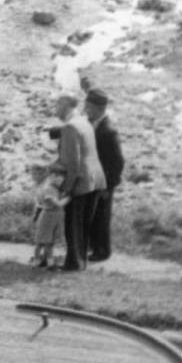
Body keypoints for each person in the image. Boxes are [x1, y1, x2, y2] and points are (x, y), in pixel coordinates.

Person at [49, 92, 105, 271]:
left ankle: (73, 264)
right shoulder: (83, 121)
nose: (55, 108)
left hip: (81, 180)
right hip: (95, 178)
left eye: (57, 104)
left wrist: (66, 188)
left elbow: (73, 164)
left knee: (73, 225)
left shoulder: (70, 127)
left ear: (65, 105)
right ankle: (79, 263)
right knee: (83, 225)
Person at [85, 87, 125, 262]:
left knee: (101, 216)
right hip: (92, 179)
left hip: (104, 182)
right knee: (93, 215)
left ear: (98, 108)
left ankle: (103, 251)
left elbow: (118, 162)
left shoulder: (109, 131)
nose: (85, 109)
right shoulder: (92, 123)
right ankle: (93, 246)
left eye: (88, 107)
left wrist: (109, 186)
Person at [31, 169, 67, 268]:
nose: (61, 180)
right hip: (48, 216)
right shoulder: (48, 189)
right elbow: (57, 204)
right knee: (41, 242)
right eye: (58, 177)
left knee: (50, 242)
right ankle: (37, 260)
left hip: (54, 216)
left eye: (62, 178)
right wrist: (69, 197)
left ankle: (49, 262)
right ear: (51, 176)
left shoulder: (56, 189)